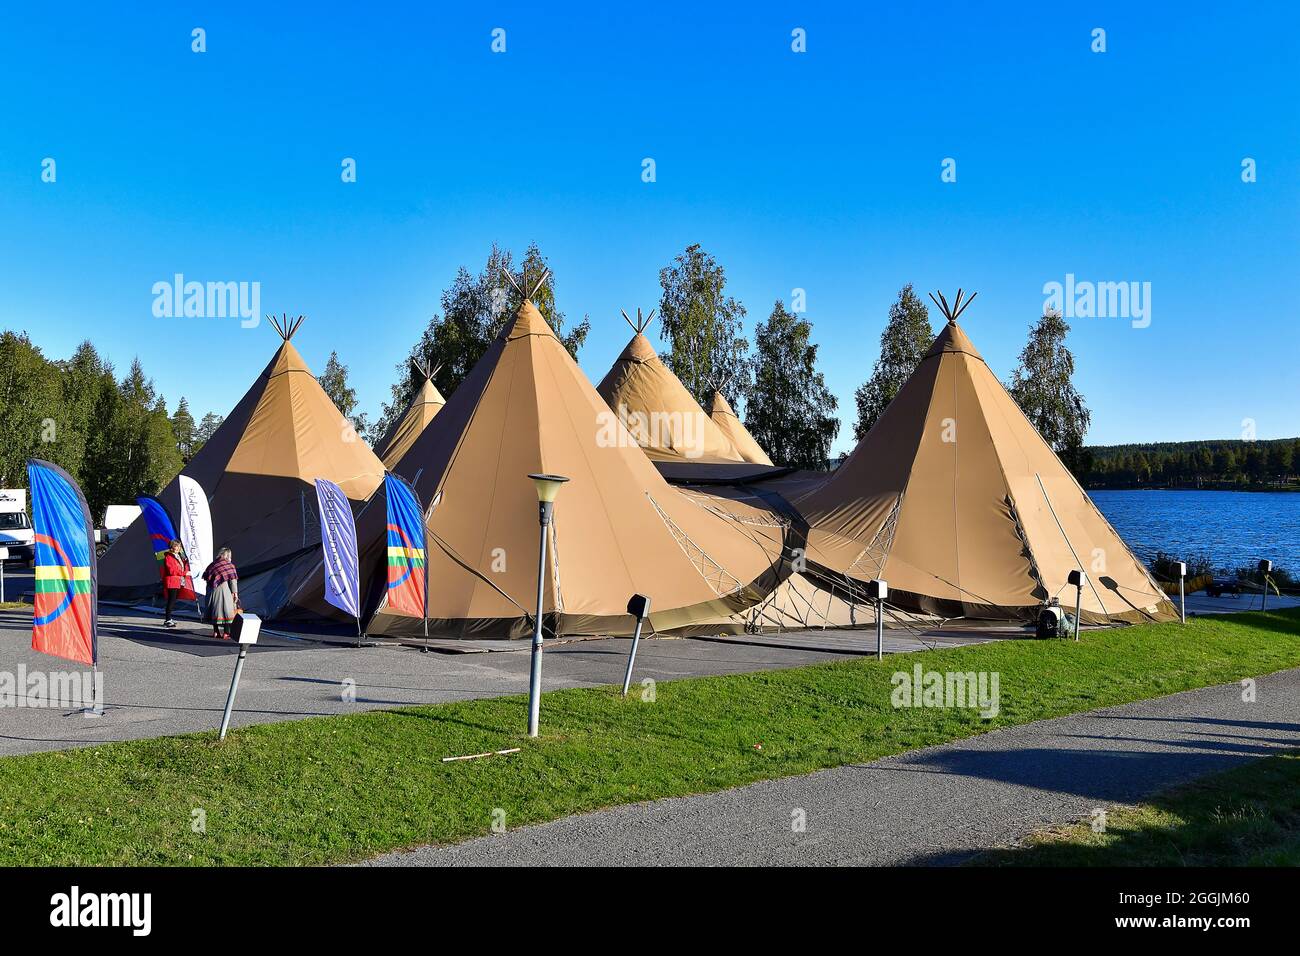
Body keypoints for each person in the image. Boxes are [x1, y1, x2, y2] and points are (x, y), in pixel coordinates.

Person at [202, 547, 240, 640]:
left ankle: (216, 631)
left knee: (214, 610)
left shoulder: (212, 564)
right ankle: (226, 633)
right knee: (227, 610)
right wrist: (235, 593)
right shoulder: (229, 565)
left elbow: (207, 577)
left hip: (211, 590)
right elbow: (233, 581)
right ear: (228, 555)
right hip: (223, 589)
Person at [161, 539, 190, 629]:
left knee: (173, 600)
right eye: (177, 546)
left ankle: (169, 618)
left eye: (179, 546)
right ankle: (167, 620)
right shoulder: (169, 557)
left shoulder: (178, 556)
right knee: (171, 600)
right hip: (172, 581)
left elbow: (181, 566)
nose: (179, 548)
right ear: (172, 547)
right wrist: (184, 573)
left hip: (177, 581)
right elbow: (171, 570)